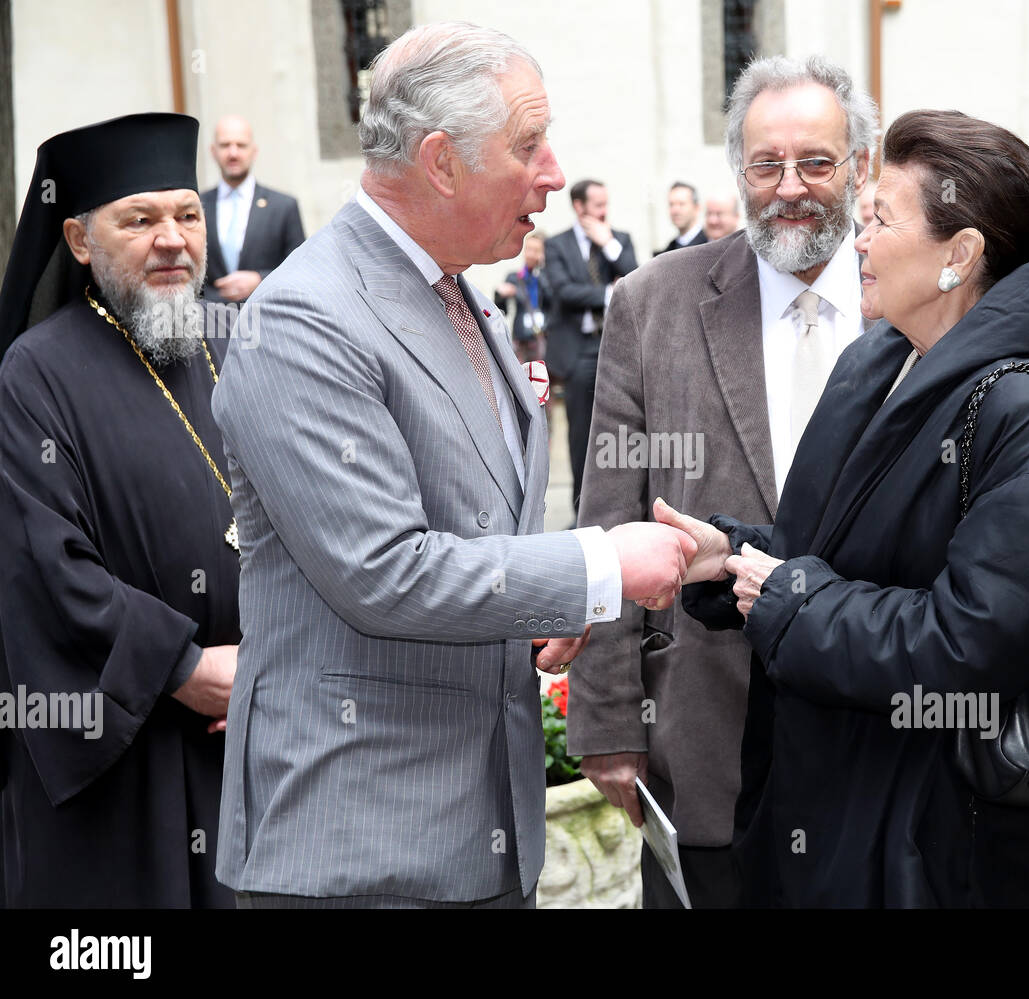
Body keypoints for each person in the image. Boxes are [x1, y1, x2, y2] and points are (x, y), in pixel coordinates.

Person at [210, 21, 694, 909]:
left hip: (471, 834)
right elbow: (383, 570)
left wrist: (550, 602)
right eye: (528, 145)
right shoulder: (305, 321)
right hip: (357, 847)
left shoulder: (458, 285)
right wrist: (599, 565)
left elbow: (471, 519)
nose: (554, 172)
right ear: (440, 162)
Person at [653, 109, 1029, 907]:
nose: (859, 242)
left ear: (960, 255)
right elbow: (840, 557)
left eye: (880, 219)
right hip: (842, 806)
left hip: (938, 842)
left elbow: (970, 645)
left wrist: (790, 600)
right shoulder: (882, 368)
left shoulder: (1028, 416)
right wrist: (736, 557)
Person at [569, 54, 877, 909]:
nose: (790, 187)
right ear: (738, 170)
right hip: (702, 734)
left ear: (860, 167)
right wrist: (605, 719)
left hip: (879, 741)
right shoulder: (651, 303)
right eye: (765, 164)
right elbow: (610, 521)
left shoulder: (914, 304)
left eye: (816, 162)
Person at [0, 113, 239, 907]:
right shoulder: (34, 373)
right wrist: (181, 667)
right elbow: (44, 563)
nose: (173, 238)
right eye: (140, 220)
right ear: (77, 240)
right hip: (124, 754)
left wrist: (278, 658)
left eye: (187, 214)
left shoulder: (236, 341)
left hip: (254, 726)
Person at [544, 180, 638, 515]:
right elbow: (562, 291)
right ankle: (581, 513)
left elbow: (637, 280)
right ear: (579, 207)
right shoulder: (556, 245)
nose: (604, 210)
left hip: (618, 350)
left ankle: (621, 509)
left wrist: (608, 244)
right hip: (579, 351)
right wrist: (610, 295)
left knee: (624, 435)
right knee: (581, 437)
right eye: (597, 204)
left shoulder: (619, 240)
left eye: (606, 202)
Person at [200, 114, 306, 302]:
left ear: (254, 151)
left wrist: (260, 280)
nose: (233, 153)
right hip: (211, 321)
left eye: (241, 145)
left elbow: (301, 269)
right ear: (213, 151)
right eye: (225, 145)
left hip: (267, 317)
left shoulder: (283, 207)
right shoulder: (197, 206)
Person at [494, 230, 551, 362]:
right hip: (521, 338)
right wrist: (499, 294)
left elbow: (552, 299)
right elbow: (502, 310)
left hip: (544, 337)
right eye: (528, 249)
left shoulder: (546, 277)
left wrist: (542, 268)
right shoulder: (514, 277)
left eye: (536, 250)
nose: (530, 254)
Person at [655, 181, 706, 254]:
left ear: (696, 208)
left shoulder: (709, 244)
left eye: (681, 204)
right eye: (671, 204)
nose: (675, 210)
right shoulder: (669, 250)